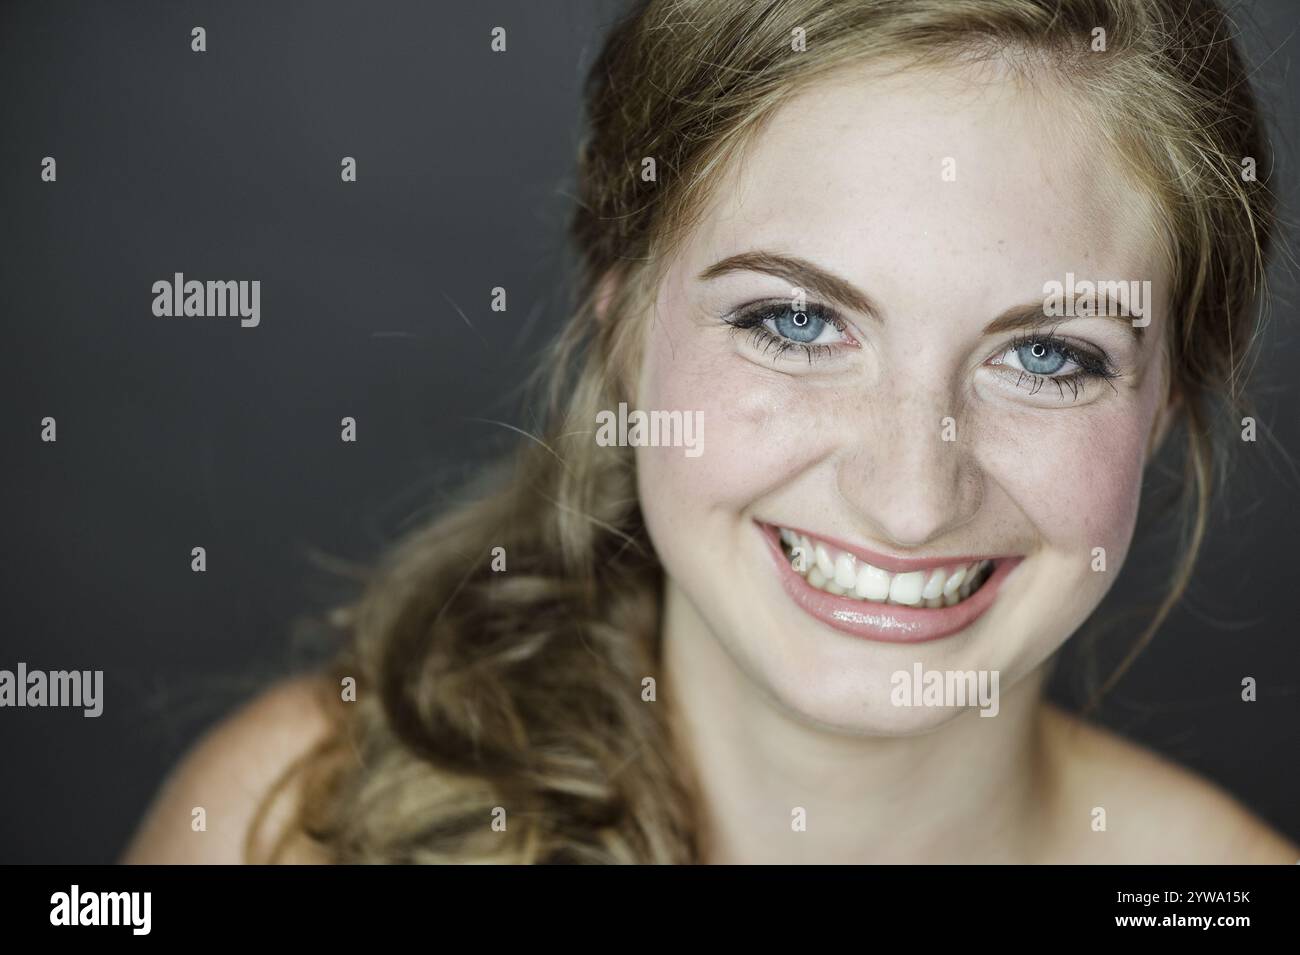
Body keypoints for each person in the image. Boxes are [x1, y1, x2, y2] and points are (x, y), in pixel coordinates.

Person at [124, 0, 1299, 864]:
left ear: (1167, 406)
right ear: (625, 327)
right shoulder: (283, 825)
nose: (909, 497)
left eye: (1048, 354)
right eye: (793, 322)